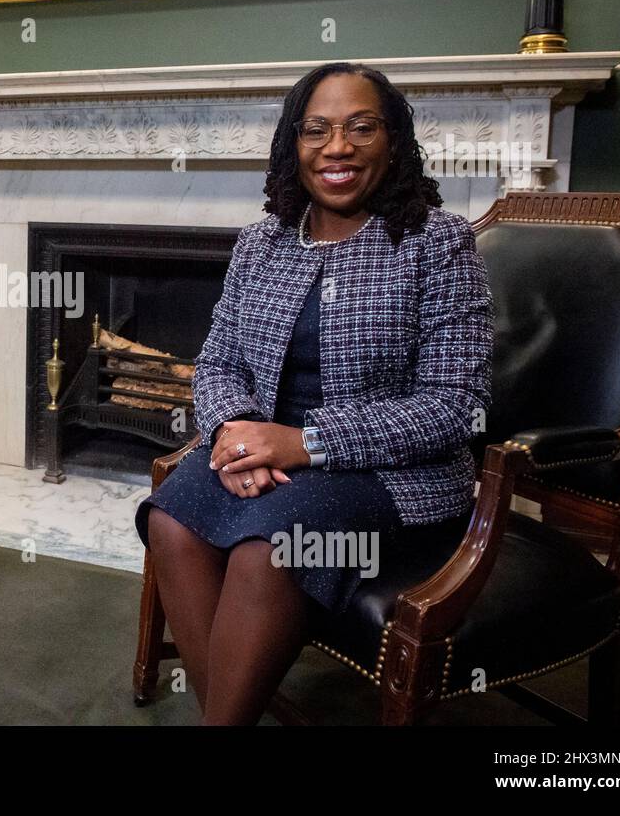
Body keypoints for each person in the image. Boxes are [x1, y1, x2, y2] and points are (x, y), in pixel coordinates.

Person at [135, 62, 493, 725]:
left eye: (362, 128)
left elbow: (456, 403)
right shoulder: (261, 242)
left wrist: (306, 443)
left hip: (393, 478)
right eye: (317, 130)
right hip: (264, 453)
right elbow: (216, 361)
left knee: (272, 548)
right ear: (293, 144)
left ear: (394, 141)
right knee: (171, 518)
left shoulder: (437, 242)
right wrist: (236, 432)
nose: (338, 147)